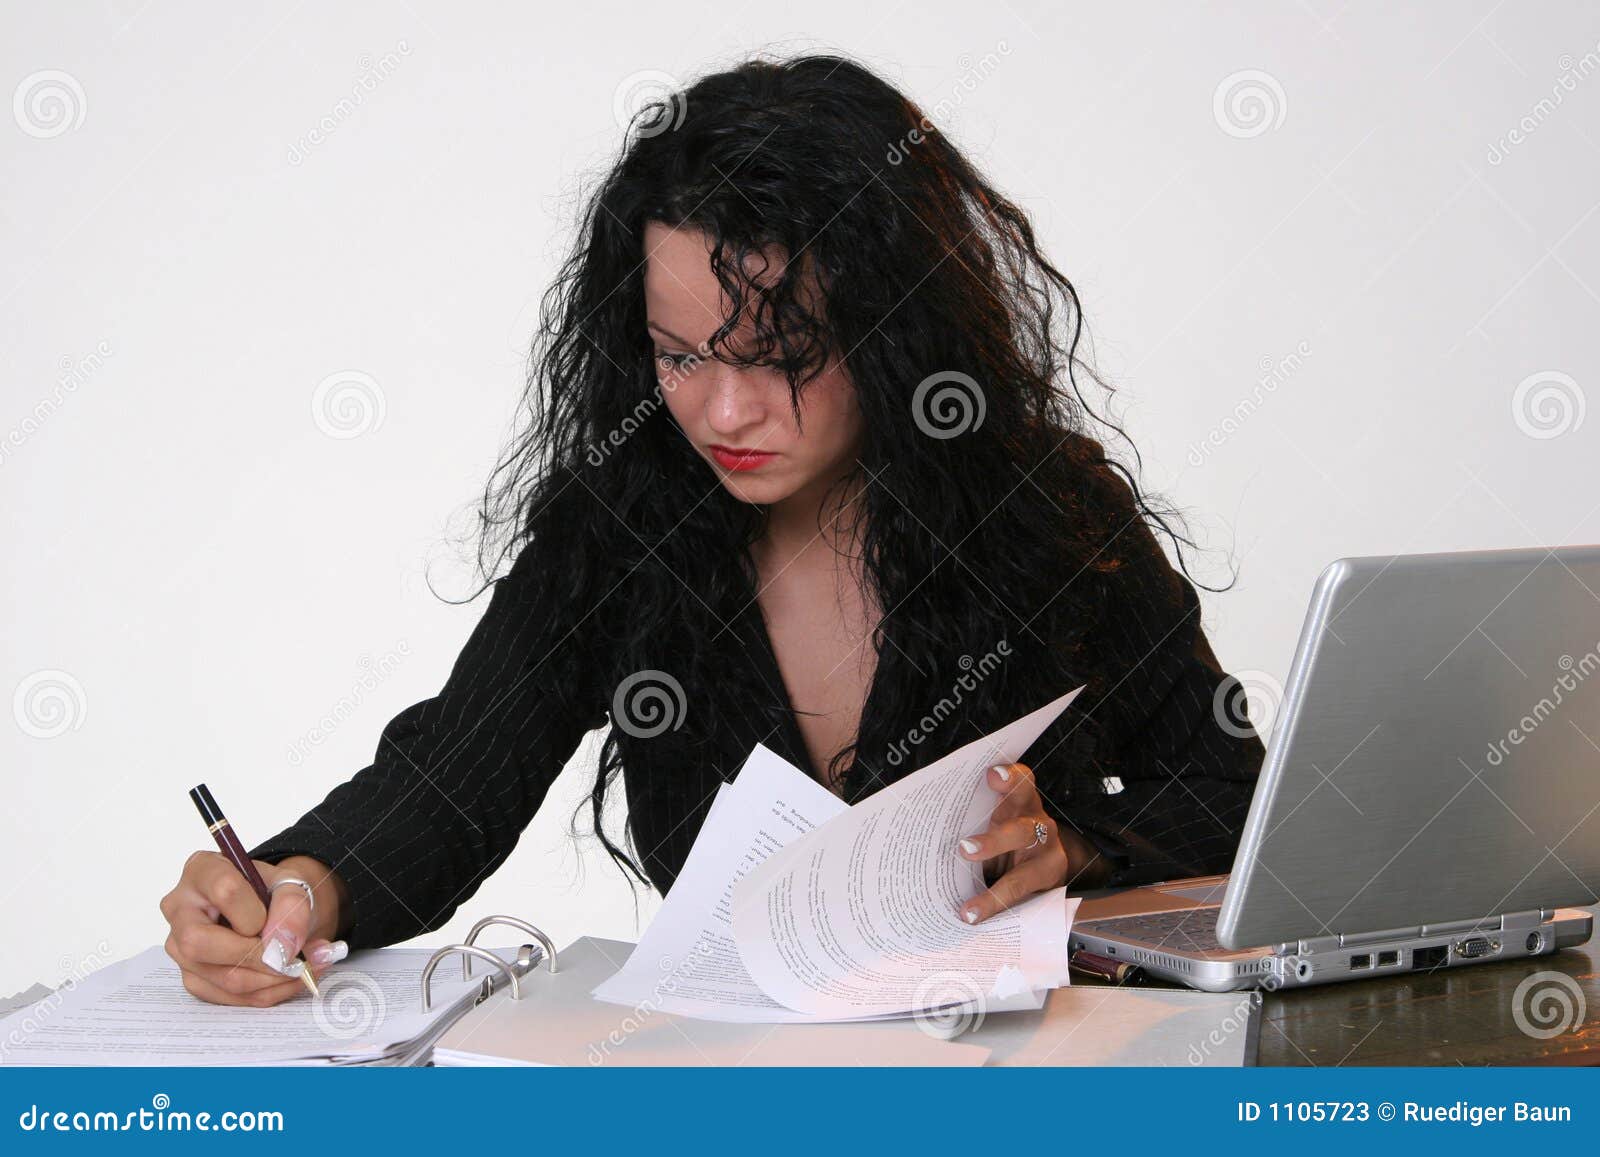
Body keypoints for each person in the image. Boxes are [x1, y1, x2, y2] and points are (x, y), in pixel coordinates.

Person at [159, 53, 1264, 1006]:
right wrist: (305, 882)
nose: (721, 414)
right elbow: (454, 777)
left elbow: (1231, 795)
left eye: (780, 358)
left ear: (894, 330)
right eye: (679, 356)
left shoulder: (1046, 506)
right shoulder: (620, 527)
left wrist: (1076, 841)